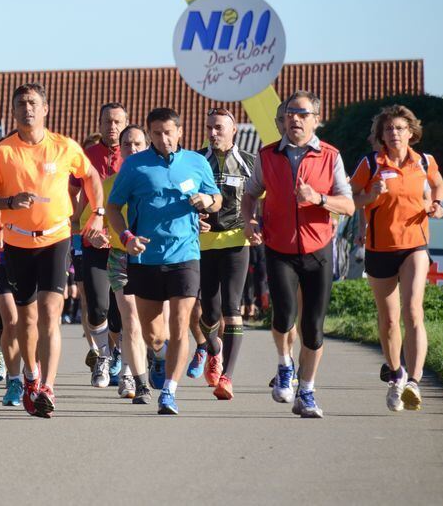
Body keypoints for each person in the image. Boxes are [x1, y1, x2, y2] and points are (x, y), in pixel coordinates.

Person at [0, 82, 105, 418]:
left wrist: (98, 213)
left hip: (56, 237)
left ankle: (47, 385)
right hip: (17, 241)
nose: (27, 109)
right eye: (21, 104)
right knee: (24, 321)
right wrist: (8, 202)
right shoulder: (2, 152)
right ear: (13, 111)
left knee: (50, 313)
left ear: (46, 109)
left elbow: (89, 175)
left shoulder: (64, 147)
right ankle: (30, 375)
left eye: (33, 103)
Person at [241, 90, 354, 418]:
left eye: (302, 113)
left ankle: (307, 391)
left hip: (318, 249)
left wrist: (317, 198)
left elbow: (347, 205)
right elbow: (251, 195)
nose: (295, 118)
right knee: (283, 316)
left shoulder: (331, 156)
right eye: (290, 112)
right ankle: (284, 364)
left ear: (316, 120)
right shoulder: (267, 155)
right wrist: (250, 220)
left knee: (313, 327)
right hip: (279, 248)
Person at [105, 107, 221, 415]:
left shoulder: (196, 163)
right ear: (150, 133)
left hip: (185, 254)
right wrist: (127, 237)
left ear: (180, 131)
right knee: (153, 334)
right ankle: (159, 355)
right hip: (146, 257)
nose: (163, 138)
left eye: (168, 132)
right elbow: (114, 207)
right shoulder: (134, 166)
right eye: (156, 133)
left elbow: (216, 197)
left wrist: (208, 201)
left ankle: (169, 391)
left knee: (180, 324)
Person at [350, 105, 443, 411]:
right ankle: (396, 374)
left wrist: (437, 204)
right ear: (381, 134)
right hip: (380, 249)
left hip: (415, 245)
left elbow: (438, 184)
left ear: (411, 132)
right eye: (388, 129)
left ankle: (415, 382)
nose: (394, 134)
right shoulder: (369, 163)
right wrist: (371, 195)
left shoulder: (424, 162)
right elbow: (350, 199)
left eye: (400, 128)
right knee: (389, 320)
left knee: (413, 310)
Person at [90, 124, 152, 403]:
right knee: (130, 319)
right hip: (120, 257)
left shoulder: (158, 180)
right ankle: (130, 373)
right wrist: (96, 233)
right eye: (127, 145)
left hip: (154, 258)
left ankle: (155, 357)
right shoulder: (108, 185)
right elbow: (91, 220)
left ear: (146, 146)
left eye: (138, 144)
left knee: (153, 329)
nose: (132, 149)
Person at [196, 108, 255, 401]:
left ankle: (227, 377)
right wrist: (193, 218)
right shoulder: (195, 161)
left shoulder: (249, 162)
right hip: (202, 244)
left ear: (234, 131)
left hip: (236, 241)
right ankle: (212, 348)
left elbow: (262, 199)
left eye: (218, 127)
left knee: (232, 310)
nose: (213, 133)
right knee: (208, 313)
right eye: (209, 127)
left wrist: (256, 223)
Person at [73, 103, 128, 388]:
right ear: (100, 122)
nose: (112, 127)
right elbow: (71, 196)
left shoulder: (135, 156)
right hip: (91, 240)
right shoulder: (86, 157)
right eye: (107, 121)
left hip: (124, 243)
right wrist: (77, 228)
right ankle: (103, 355)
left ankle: (116, 353)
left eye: (118, 121)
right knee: (96, 306)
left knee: (120, 311)